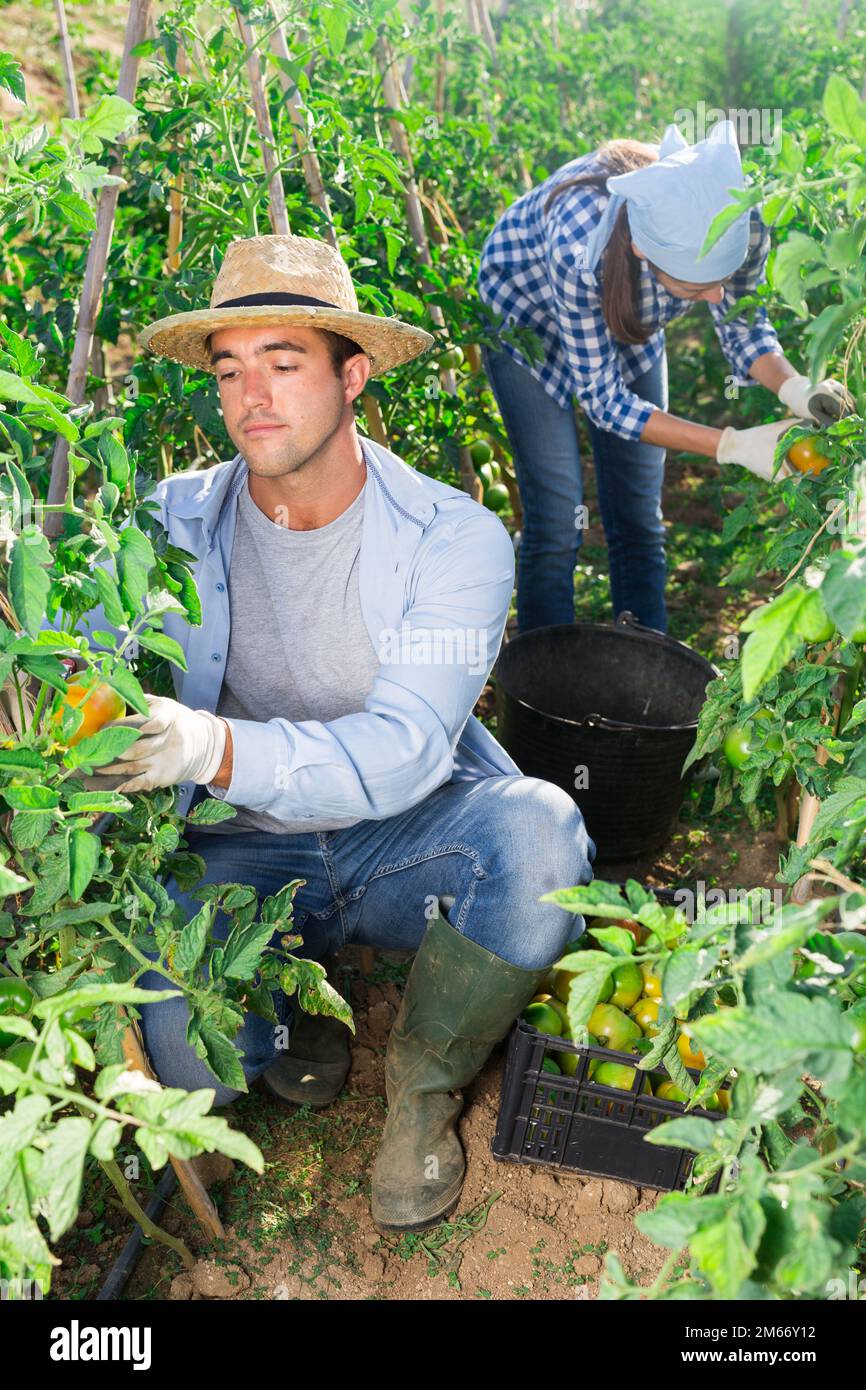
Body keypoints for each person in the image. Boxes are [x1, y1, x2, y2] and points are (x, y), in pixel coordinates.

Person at [86, 234, 596, 1234]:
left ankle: (425, 1086)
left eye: (283, 364)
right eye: (230, 370)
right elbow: (84, 656)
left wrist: (209, 746)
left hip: (406, 834)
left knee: (541, 836)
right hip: (234, 846)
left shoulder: (452, 537)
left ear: (351, 373)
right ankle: (294, 1002)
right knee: (198, 1065)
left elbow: (406, 747)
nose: (250, 397)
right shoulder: (171, 521)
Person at [477, 120, 852, 634]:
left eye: (721, 281)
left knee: (638, 514)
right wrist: (731, 445)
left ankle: (642, 676)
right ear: (643, 252)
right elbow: (604, 401)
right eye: (698, 287)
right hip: (527, 322)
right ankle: (544, 691)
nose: (717, 297)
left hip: (627, 318)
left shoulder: (737, 217)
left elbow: (744, 327)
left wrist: (796, 388)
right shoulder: (579, 246)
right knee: (560, 518)